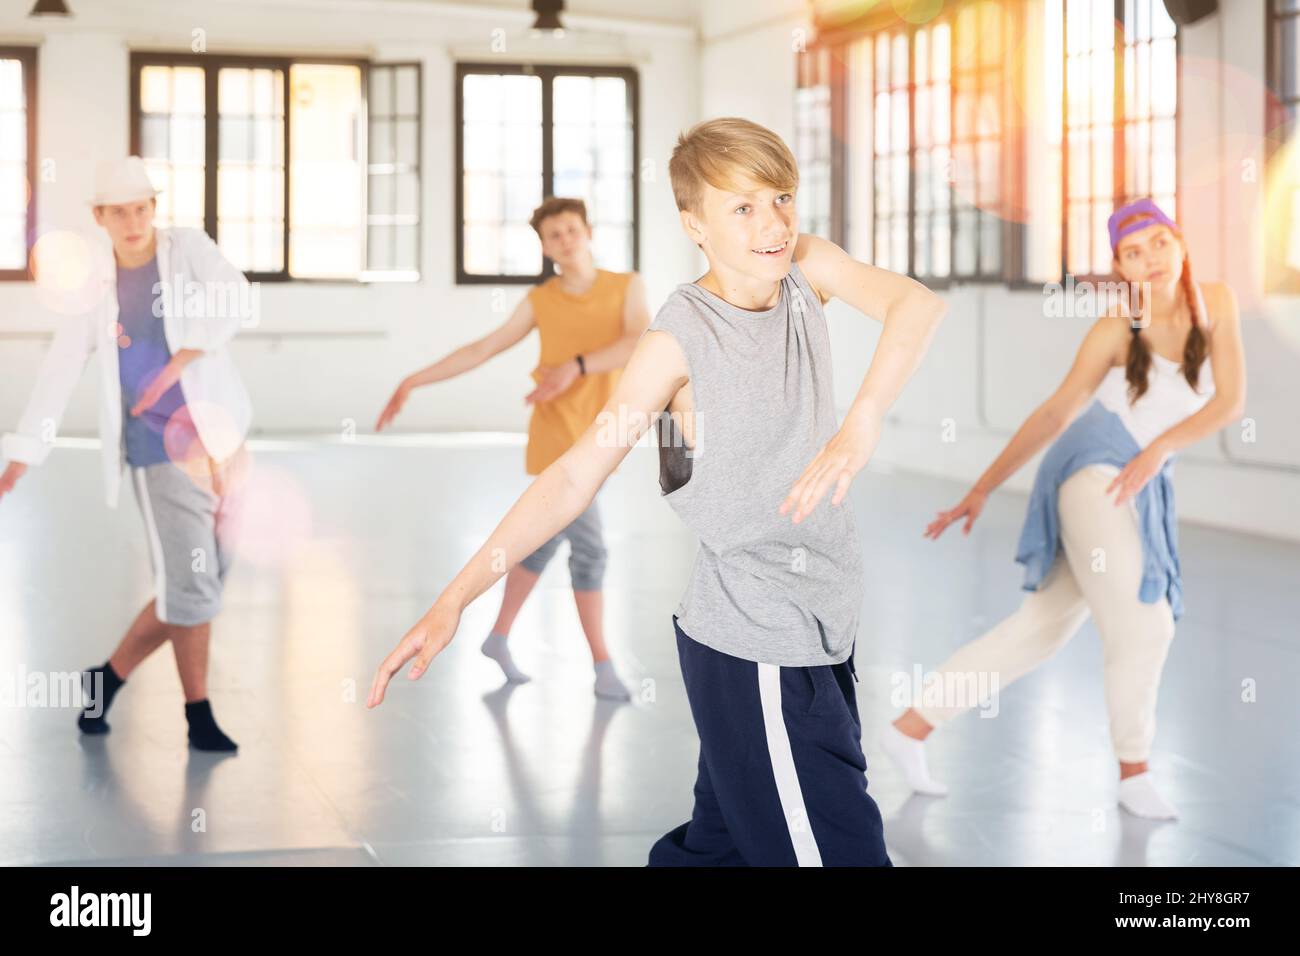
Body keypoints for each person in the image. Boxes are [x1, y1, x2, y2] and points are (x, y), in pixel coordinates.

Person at [367, 117, 946, 866]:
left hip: (823, 615)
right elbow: (577, 472)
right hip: (758, 641)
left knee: (722, 850)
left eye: (781, 198)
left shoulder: (805, 266)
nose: (771, 224)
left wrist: (861, 423)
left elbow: (917, 305)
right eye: (742, 207)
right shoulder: (677, 340)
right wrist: (454, 597)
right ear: (693, 223)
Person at [881, 198, 1246, 821]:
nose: (1150, 259)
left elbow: (1229, 403)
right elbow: (1055, 413)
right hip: (1089, 471)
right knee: (1145, 622)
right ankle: (1134, 772)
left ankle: (909, 728)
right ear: (1119, 267)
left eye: (1158, 243)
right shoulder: (1113, 328)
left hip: (1138, 473)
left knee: (1041, 631)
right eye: (1133, 253)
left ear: (1179, 242)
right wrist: (982, 488)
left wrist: (1159, 448)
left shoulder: (1217, 303)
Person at [0, 156, 255, 752]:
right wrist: (24, 452)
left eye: (143, 208)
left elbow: (237, 298)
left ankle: (105, 679)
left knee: (203, 580)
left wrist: (184, 358)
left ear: (154, 209)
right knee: (192, 587)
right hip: (156, 449)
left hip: (221, 439)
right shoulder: (94, 290)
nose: (134, 221)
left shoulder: (188, 250)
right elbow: (61, 369)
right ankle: (199, 716)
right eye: (120, 212)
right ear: (99, 217)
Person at [375, 197, 649, 700]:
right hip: (556, 442)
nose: (564, 240)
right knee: (590, 549)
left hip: (603, 437)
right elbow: (484, 348)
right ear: (544, 247)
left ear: (588, 230)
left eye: (570, 229)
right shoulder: (542, 300)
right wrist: (415, 379)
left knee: (540, 539)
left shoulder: (626, 287)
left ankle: (498, 638)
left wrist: (577, 365)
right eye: (553, 235)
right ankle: (603, 665)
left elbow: (639, 341)